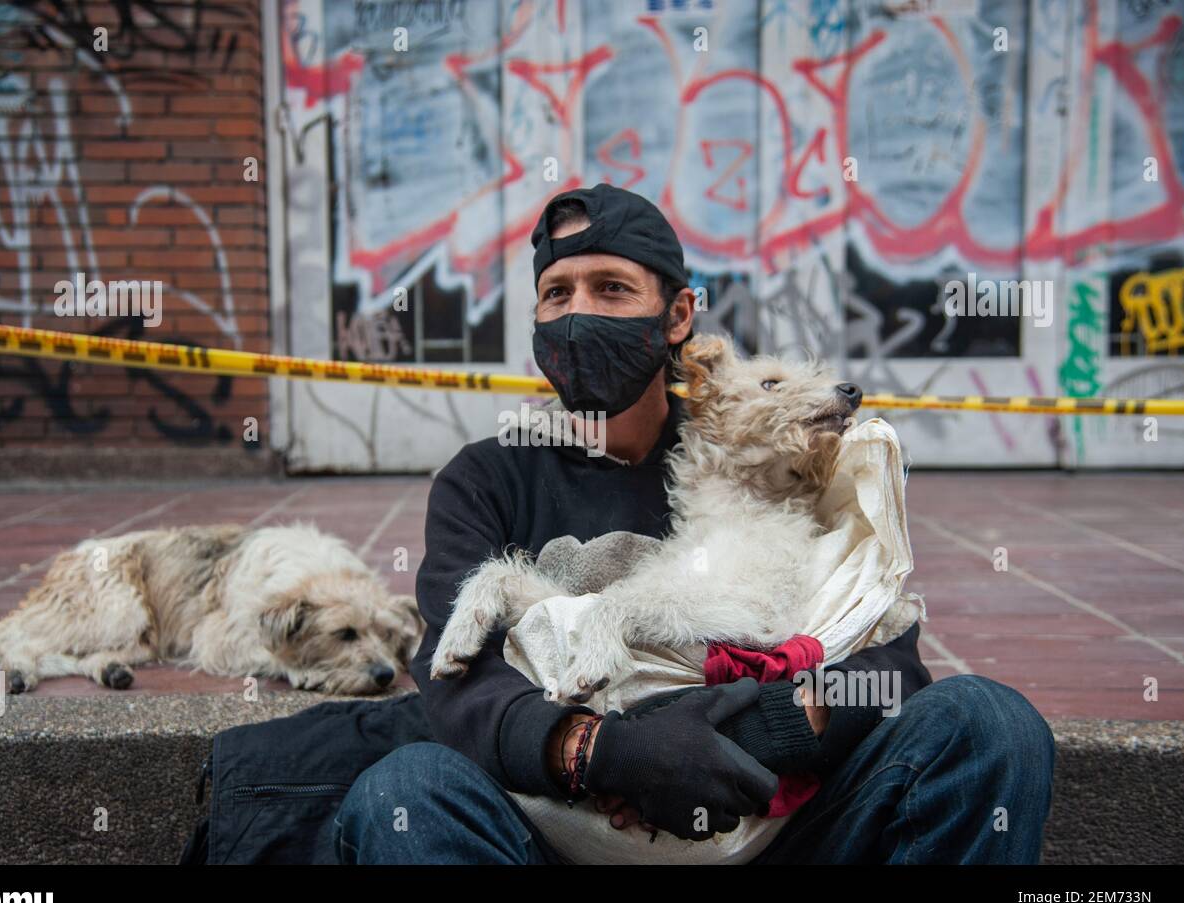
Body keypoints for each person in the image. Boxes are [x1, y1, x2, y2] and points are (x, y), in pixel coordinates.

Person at [333, 183, 1056, 864]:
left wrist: (765, 727)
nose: (579, 313)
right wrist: (604, 754)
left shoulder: (766, 449)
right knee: (405, 791)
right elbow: (459, 687)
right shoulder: (484, 477)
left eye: (611, 288)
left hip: (775, 829)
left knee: (987, 723)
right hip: (566, 835)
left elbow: (890, 656)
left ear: (678, 315)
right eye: (557, 293)